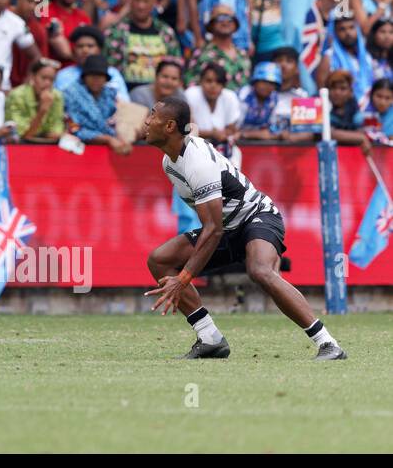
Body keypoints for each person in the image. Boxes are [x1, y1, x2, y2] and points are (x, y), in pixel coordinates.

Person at [142, 96, 347, 362]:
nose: (146, 121)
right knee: (160, 260)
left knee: (260, 270)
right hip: (227, 228)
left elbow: (213, 229)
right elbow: (215, 226)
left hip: (256, 216)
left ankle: (328, 343)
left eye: (152, 115)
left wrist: (182, 279)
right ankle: (210, 339)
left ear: (169, 127)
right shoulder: (169, 162)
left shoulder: (197, 163)